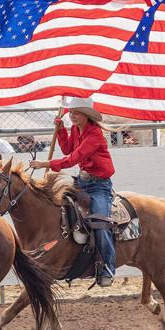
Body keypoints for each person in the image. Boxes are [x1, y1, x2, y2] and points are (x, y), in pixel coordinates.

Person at [29, 97, 116, 287]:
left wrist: (46, 164)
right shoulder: (77, 129)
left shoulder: (94, 135)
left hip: (99, 186)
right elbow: (68, 148)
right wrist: (60, 130)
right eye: (71, 113)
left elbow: (72, 158)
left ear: (86, 115)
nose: (72, 116)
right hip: (82, 182)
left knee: (100, 223)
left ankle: (108, 267)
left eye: (76, 113)